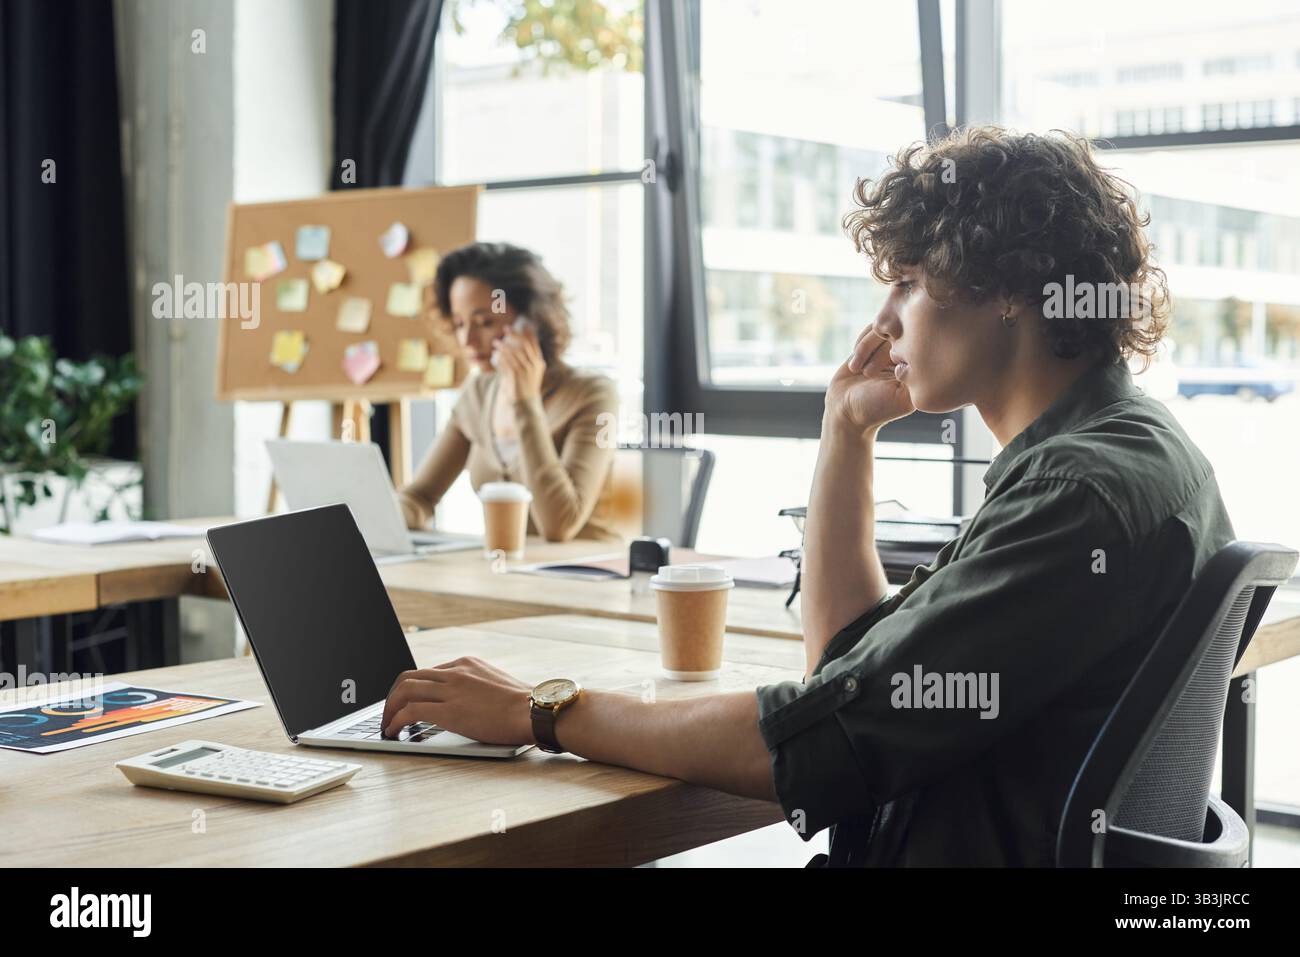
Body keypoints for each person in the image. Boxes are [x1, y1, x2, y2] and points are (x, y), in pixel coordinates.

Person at [380, 128, 1235, 866]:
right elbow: (845, 671)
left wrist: (542, 711)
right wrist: (845, 433)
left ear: (1011, 287)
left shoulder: (1074, 491)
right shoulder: (1126, 451)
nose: (885, 317)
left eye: (906, 279)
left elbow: (810, 742)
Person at [397, 242, 621, 543]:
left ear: (531, 321)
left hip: (585, 577)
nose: (467, 339)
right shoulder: (477, 393)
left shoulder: (592, 395)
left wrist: (525, 402)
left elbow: (559, 525)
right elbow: (421, 497)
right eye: (460, 323)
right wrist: (374, 516)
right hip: (508, 578)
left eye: (484, 322)